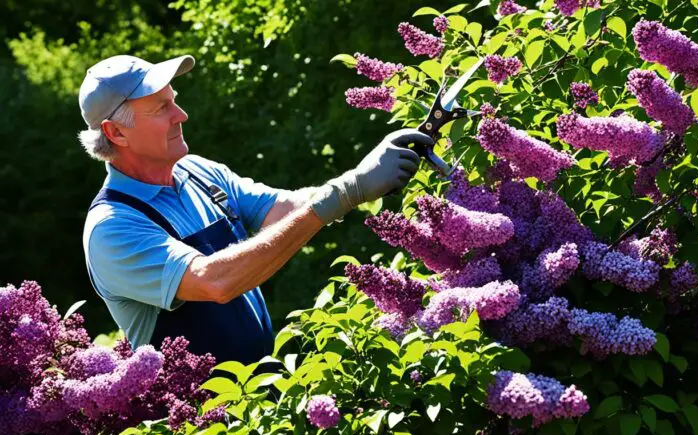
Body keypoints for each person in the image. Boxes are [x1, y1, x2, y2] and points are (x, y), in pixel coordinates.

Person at [79, 54, 434, 364]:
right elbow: (214, 281)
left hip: (262, 399)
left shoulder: (201, 173)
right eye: (161, 108)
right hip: (200, 421)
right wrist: (348, 189)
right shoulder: (113, 226)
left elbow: (285, 209)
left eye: (174, 101)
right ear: (116, 133)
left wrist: (365, 175)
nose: (181, 115)